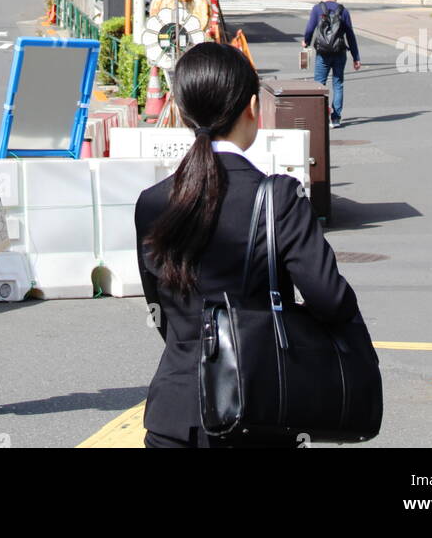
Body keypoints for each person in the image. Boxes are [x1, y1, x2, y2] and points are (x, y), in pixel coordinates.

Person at [135, 42, 361, 448]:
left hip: (174, 411)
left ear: (182, 113)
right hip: (259, 407)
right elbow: (330, 298)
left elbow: (160, 309)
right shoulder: (279, 197)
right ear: (253, 108)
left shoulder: (152, 202)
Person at [303, 0, 361, 127]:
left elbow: (310, 28)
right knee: (338, 83)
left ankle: (319, 115)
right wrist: (356, 57)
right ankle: (335, 118)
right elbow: (350, 35)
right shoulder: (343, 11)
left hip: (322, 52)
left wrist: (306, 41)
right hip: (339, 51)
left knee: (319, 84)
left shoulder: (317, 9)